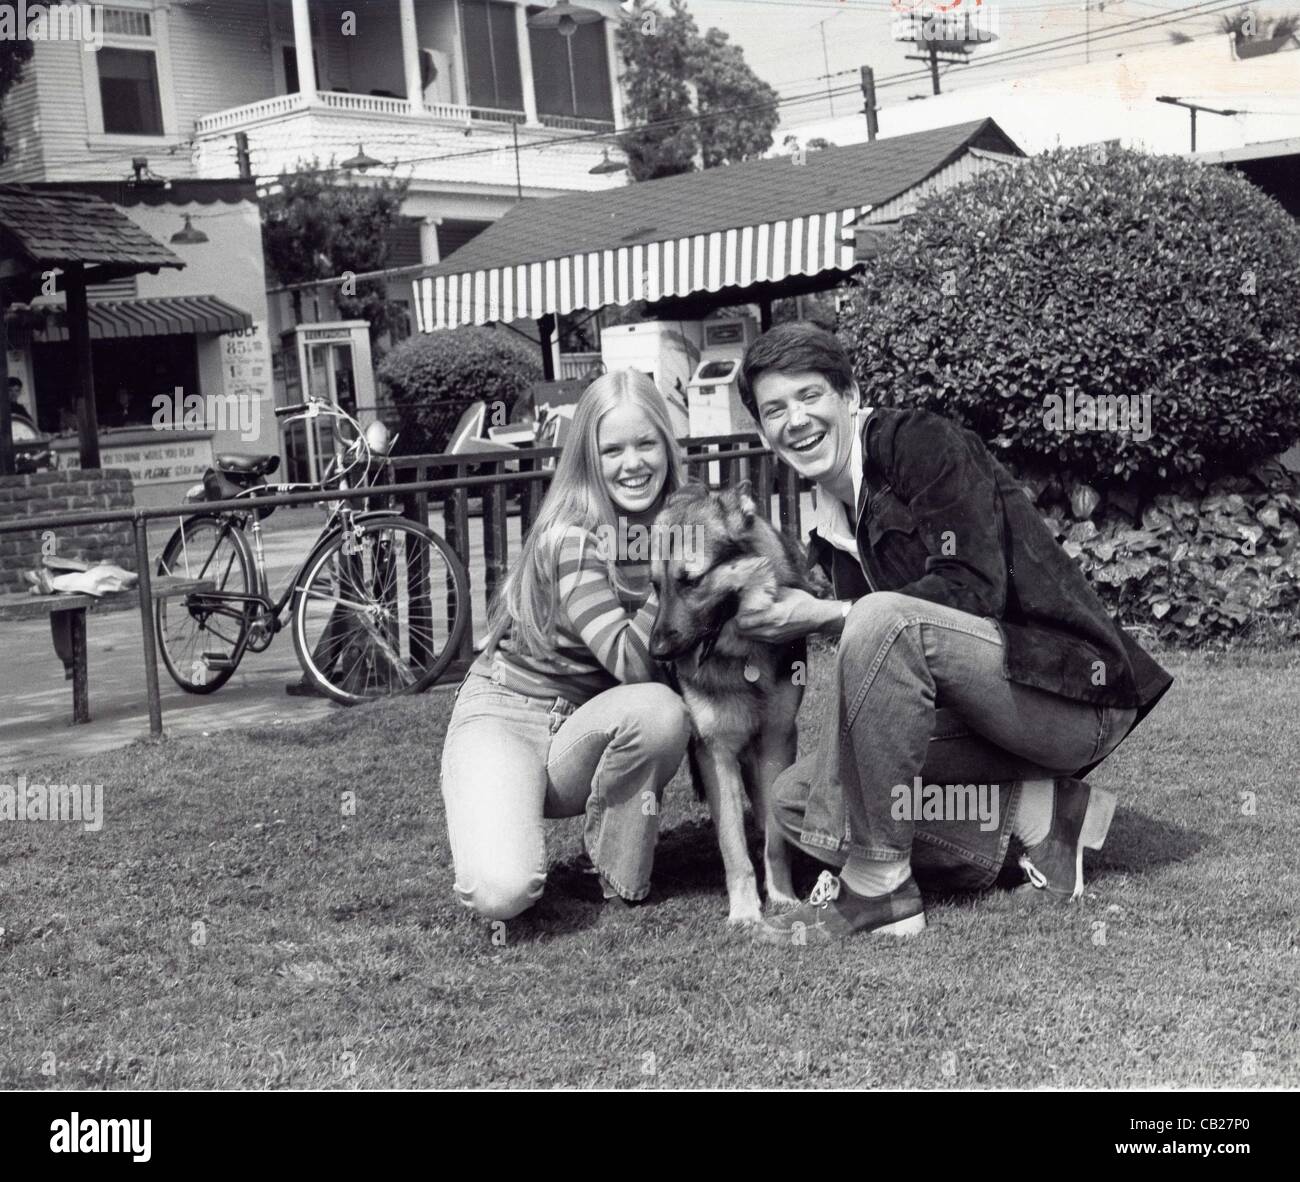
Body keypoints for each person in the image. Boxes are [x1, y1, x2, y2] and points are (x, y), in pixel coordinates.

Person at [729, 323, 1172, 947]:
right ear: (762, 432)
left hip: (1067, 695)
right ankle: (1041, 820)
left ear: (849, 393)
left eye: (809, 396)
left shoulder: (919, 443)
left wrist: (823, 614)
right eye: (775, 410)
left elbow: (970, 589)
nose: (796, 420)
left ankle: (882, 887)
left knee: (879, 619)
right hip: (977, 720)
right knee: (800, 798)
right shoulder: (830, 517)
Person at [438, 370, 692, 921]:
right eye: (613, 449)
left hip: (585, 729)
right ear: (587, 457)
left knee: (661, 714)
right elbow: (633, 663)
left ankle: (614, 877)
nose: (634, 463)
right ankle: (492, 803)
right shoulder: (573, 537)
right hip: (506, 714)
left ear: (668, 448)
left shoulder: (677, 525)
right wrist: (668, 574)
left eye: (647, 443)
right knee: (501, 894)